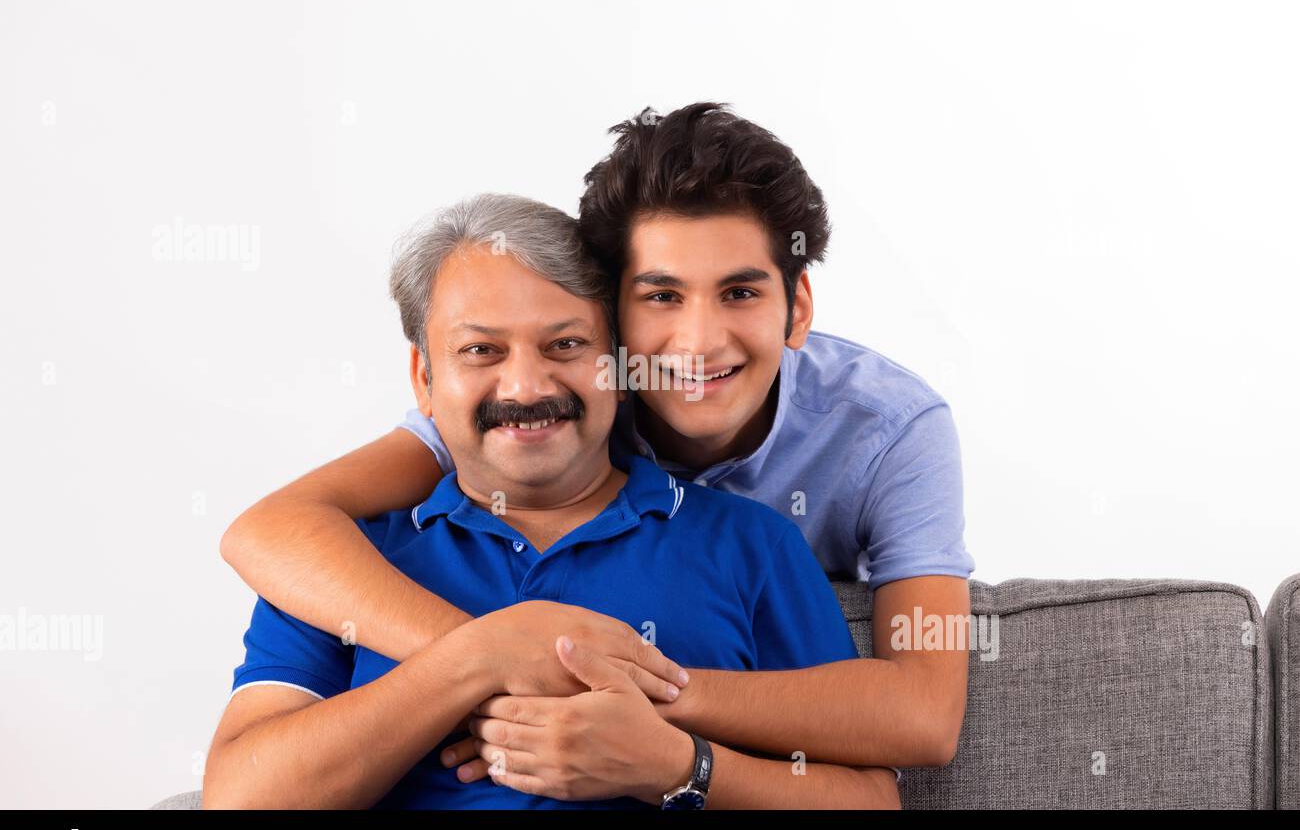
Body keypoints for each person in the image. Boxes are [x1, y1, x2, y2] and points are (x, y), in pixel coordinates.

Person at [220, 102, 976, 786]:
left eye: (740, 292)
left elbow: (919, 716)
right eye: (662, 295)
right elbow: (270, 530)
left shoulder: (883, 436)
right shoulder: (484, 441)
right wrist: (487, 658)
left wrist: (650, 721)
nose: (698, 341)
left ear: (797, 305)